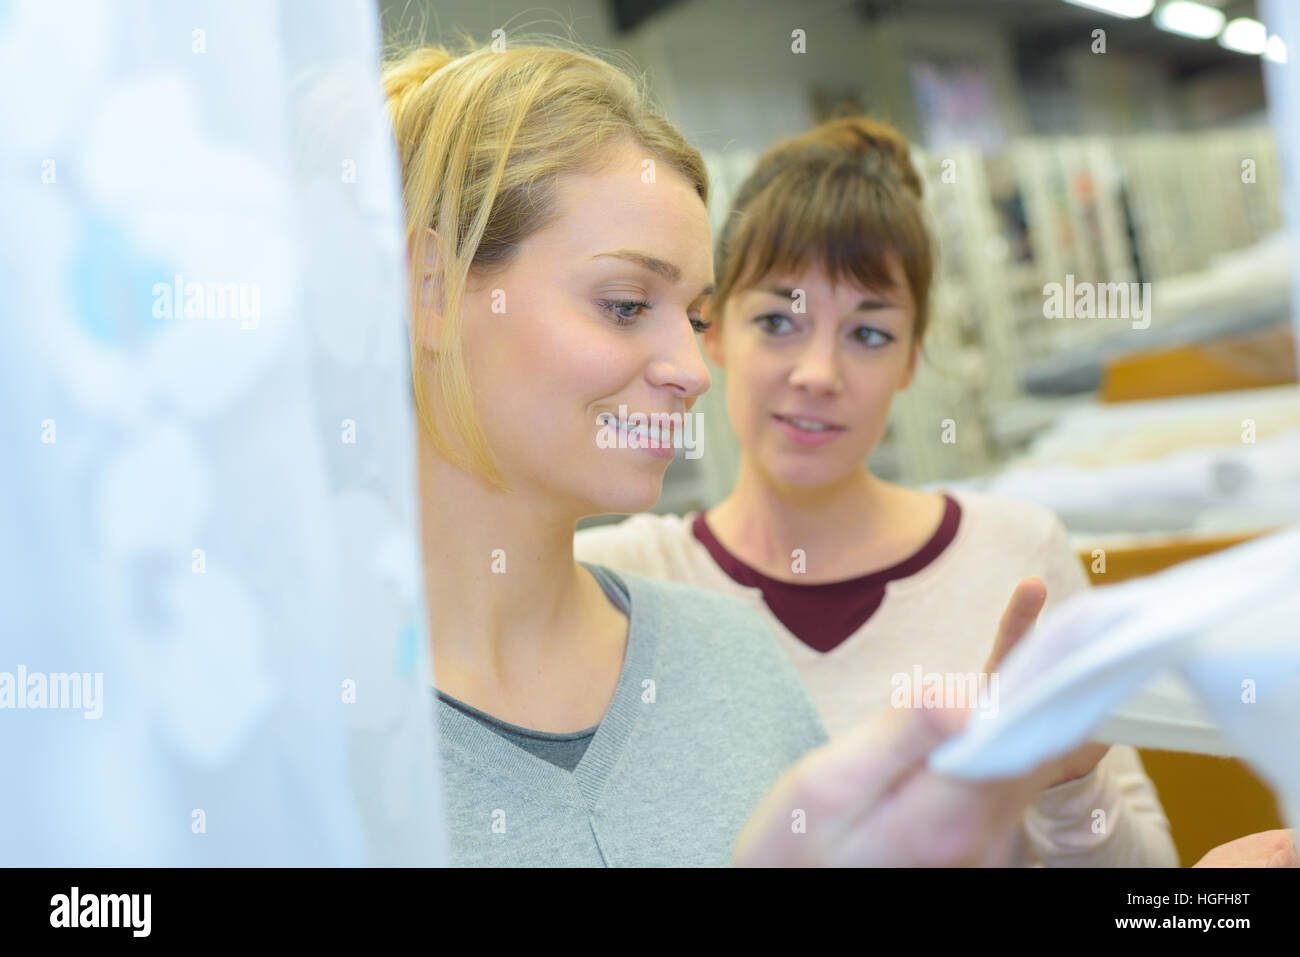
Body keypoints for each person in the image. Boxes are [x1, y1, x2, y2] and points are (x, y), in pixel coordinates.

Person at [383, 38, 1065, 867]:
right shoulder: (281, 732)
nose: (689, 370)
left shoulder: (729, 659)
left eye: (697, 317)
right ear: (433, 290)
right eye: (628, 304)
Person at [575, 115, 1179, 866]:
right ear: (713, 332)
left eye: (868, 333)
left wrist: (1061, 784)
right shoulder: (621, 580)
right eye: (777, 321)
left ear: (910, 359)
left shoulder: (1017, 554)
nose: (818, 374)